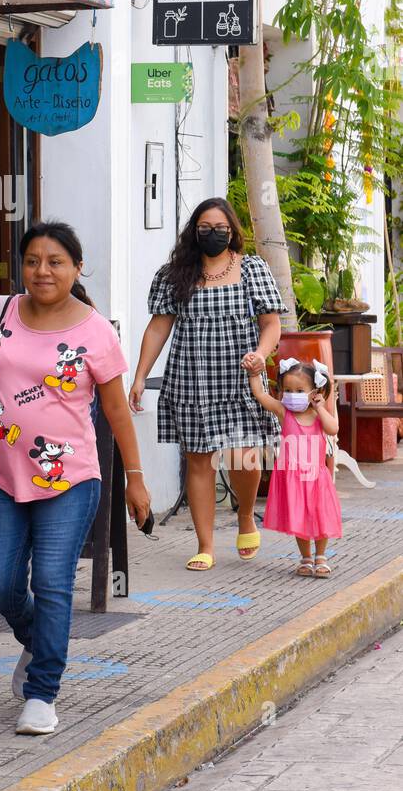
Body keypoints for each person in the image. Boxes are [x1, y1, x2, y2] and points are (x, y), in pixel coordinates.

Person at [0, 221, 150, 737]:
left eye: (56, 261)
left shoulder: (95, 332)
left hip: (70, 478)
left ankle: (42, 692)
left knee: (54, 584)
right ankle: (40, 641)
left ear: (76, 268)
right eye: (33, 260)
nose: (43, 271)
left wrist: (135, 477)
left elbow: (116, 412)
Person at [129, 198, 286, 571]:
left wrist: (262, 354)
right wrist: (138, 376)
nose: (213, 234)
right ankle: (205, 544)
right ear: (193, 231)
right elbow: (158, 328)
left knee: (244, 455)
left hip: (242, 376)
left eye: (220, 228)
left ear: (232, 232)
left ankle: (246, 515)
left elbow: (271, 323)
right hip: (192, 378)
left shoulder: (252, 269)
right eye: (205, 228)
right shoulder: (174, 274)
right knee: (198, 461)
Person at [249, 358, 341, 577]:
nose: (293, 394)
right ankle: (306, 558)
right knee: (299, 518)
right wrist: (254, 375)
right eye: (288, 389)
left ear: (315, 391)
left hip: (316, 477)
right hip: (293, 478)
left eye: (300, 390)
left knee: (320, 517)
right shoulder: (284, 413)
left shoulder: (318, 415)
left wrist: (322, 406)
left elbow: (333, 428)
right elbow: (261, 395)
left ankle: (321, 556)